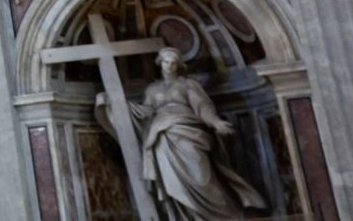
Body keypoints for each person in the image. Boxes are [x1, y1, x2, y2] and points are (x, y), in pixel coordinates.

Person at [100, 47, 266, 221]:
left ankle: (226, 215)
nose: (169, 66)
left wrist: (215, 122)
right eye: (166, 62)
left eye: (173, 62)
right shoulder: (152, 89)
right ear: (160, 63)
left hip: (188, 132)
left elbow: (202, 106)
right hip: (162, 137)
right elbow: (146, 112)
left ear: (179, 65)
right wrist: (118, 104)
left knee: (201, 177)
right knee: (173, 182)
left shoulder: (187, 84)